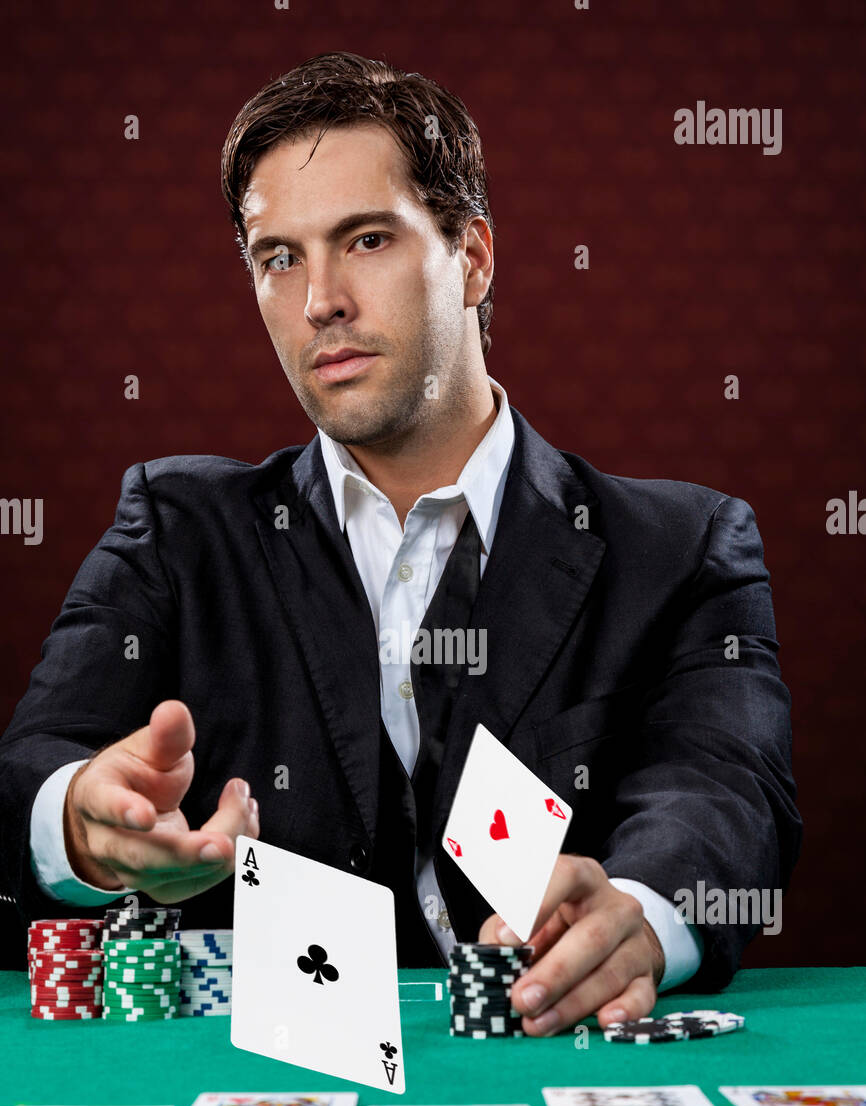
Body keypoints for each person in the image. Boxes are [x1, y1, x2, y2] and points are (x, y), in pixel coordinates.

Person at [0, 52, 801, 1035]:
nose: (317, 301)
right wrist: (81, 822)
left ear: (472, 255)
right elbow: (35, 763)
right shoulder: (175, 528)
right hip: (273, 1103)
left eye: (365, 239)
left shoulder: (676, 545)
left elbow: (722, 781)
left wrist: (639, 913)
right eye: (278, 256)